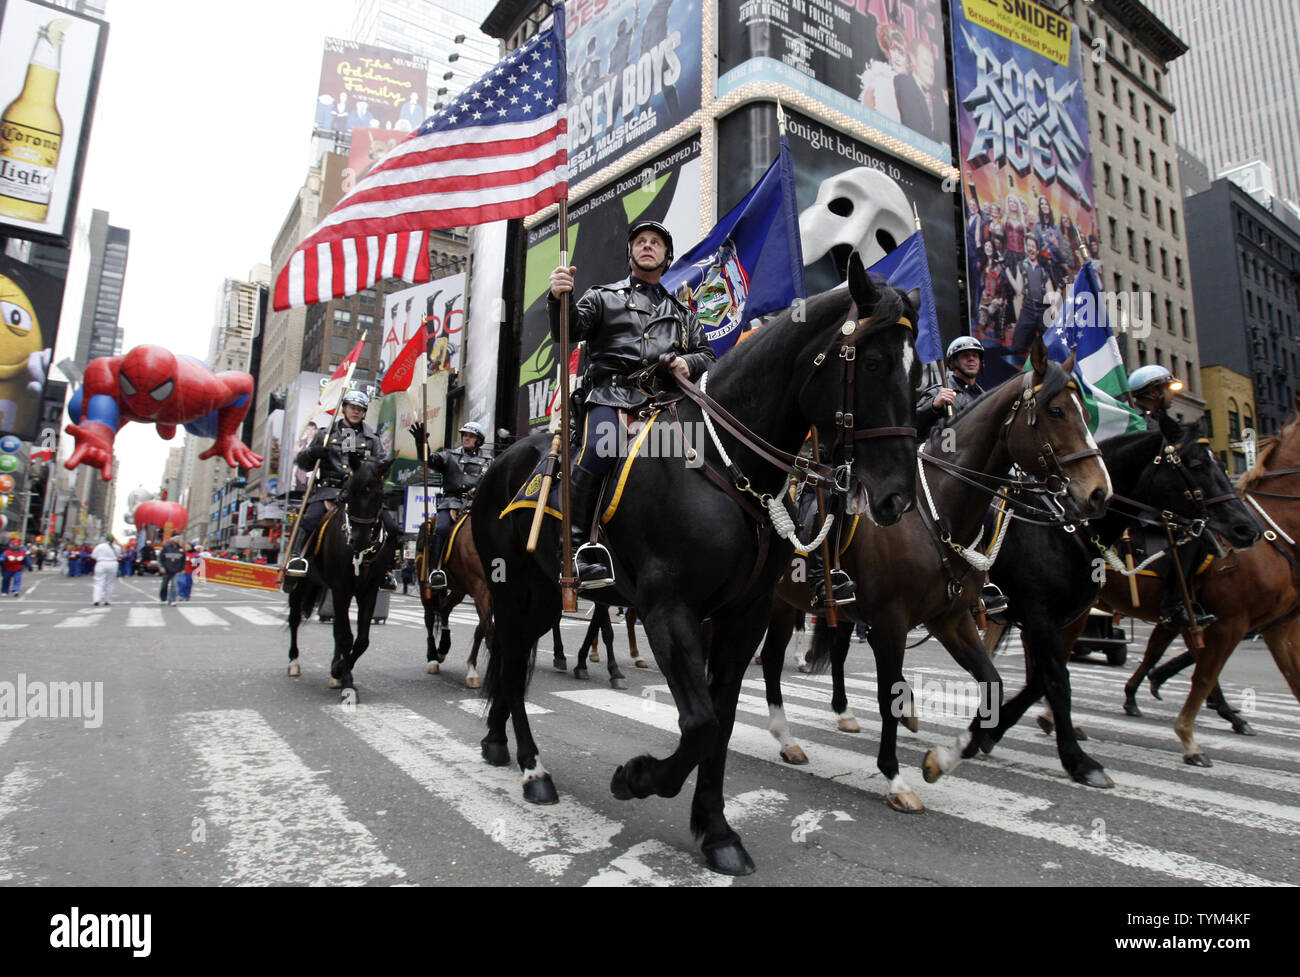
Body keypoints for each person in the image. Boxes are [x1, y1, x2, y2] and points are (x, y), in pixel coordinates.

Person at [548, 219, 715, 588]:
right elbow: (569, 330)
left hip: (663, 403)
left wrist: (689, 362)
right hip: (612, 396)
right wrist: (560, 296)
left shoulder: (685, 315)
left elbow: (708, 355)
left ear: (667, 257)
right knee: (601, 448)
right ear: (630, 253)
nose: (647, 246)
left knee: (696, 458)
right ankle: (577, 545)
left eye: (656, 242)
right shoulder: (601, 296)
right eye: (640, 241)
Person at [1125, 365, 1212, 630]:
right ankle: (1172, 606)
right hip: (1143, 505)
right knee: (1188, 540)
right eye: (1168, 388)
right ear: (1154, 391)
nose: (1173, 394)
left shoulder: (1168, 423)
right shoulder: (1136, 422)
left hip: (1167, 499)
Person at [285, 389, 401, 589]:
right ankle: (298, 559)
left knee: (391, 527)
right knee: (310, 520)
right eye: (352, 408)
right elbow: (303, 464)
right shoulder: (325, 433)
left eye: (360, 409)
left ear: (364, 412)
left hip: (361, 495)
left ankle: (386, 569)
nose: (355, 412)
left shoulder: (372, 438)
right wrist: (313, 452)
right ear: (344, 408)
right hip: (330, 490)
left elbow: (382, 466)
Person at [412, 420, 492, 590]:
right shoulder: (449, 456)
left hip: (478, 506)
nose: (466, 438)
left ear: (479, 440)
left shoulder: (489, 461)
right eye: (465, 435)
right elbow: (428, 459)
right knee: (441, 528)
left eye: (471, 436)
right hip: (451, 503)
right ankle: (435, 571)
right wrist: (421, 442)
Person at [916, 336, 986, 443]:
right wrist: (933, 406)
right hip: (942, 456)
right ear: (952, 363)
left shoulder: (985, 397)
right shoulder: (937, 392)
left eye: (975, 355)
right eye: (965, 355)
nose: (971, 359)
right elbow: (914, 424)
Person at [91, 534, 122, 606]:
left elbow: (93, 556)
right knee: (110, 583)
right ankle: (108, 600)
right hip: (113, 564)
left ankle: (96, 599)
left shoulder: (100, 546)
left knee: (98, 582)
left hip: (101, 563)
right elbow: (118, 556)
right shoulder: (117, 547)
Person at [159, 535, 187, 605]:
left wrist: (183, 569)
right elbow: (160, 558)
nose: (178, 540)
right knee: (164, 585)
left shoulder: (181, 549)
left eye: (179, 539)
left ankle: (172, 600)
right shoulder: (166, 548)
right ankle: (163, 599)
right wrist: (161, 567)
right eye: (176, 538)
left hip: (176, 570)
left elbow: (183, 561)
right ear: (172, 539)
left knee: (174, 586)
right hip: (166, 569)